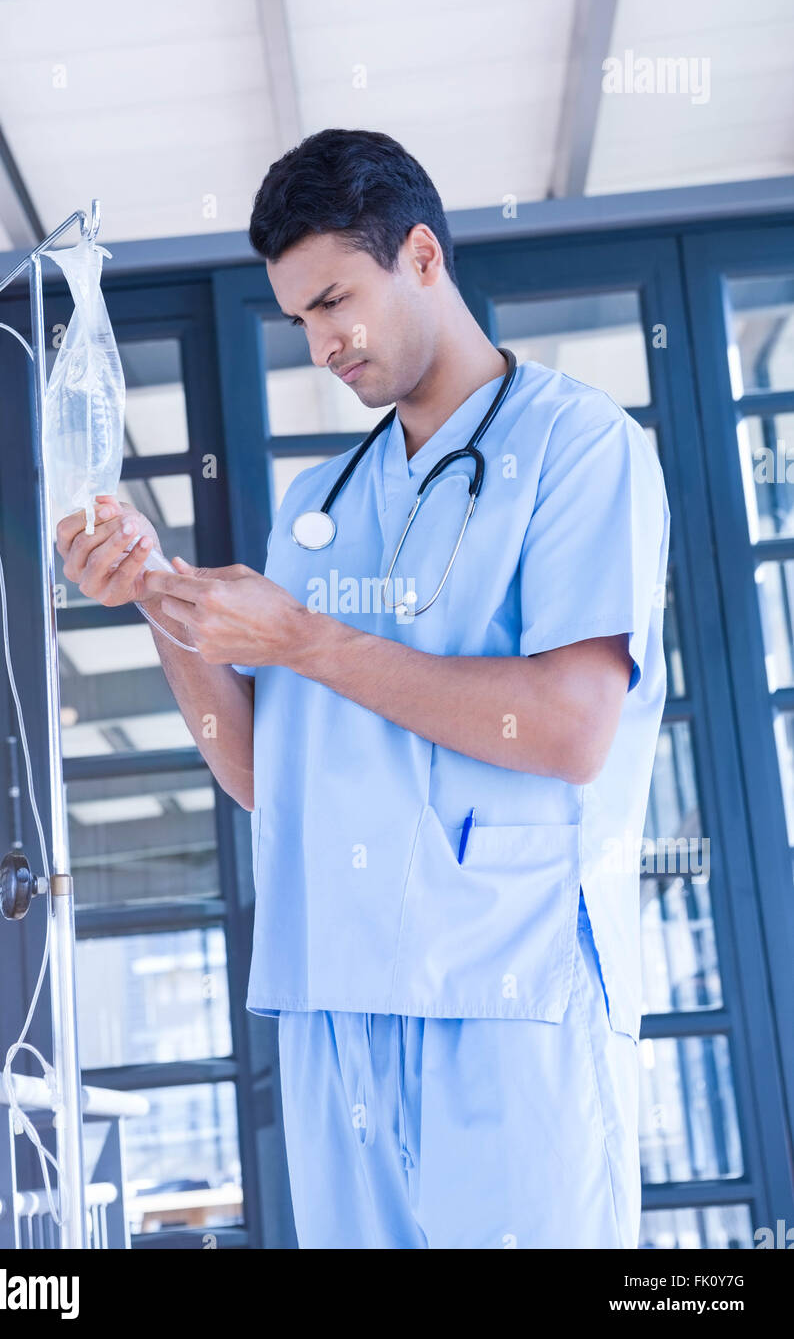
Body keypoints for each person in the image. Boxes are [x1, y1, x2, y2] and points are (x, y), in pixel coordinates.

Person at [56, 128, 670, 1249]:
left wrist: (303, 639)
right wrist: (157, 598)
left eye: (335, 300)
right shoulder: (318, 503)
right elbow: (260, 774)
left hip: (507, 993)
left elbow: (571, 727)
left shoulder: (579, 447)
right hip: (335, 1003)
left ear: (423, 256)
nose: (321, 344)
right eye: (297, 319)